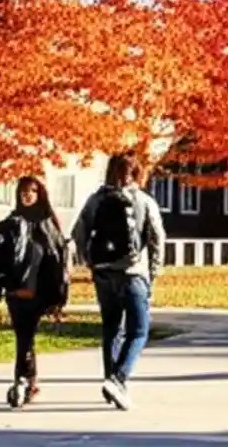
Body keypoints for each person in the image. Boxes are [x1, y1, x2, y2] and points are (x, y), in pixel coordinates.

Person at [71, 153, 166, 411]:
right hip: (133, 273)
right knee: (138, 330)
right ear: (137, 173)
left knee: (111, 327)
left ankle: (110, 380)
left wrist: (90, 262)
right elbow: (157, 238)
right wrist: (153, 272)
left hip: (104, 274)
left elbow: (77, 233)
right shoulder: (144, 201)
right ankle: (119, 378)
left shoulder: (97, 199)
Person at [0, 176, 70, 409]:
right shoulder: (11, 224)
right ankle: (25, 381)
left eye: (32, 191)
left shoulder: (48, 224)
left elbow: (59, 260)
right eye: (23, 192)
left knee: (26, 337)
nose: (27, 196)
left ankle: (24, 381)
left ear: (39, 193)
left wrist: (59, 295)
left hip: (41, 290)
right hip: (16, 289)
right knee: (24, 337)